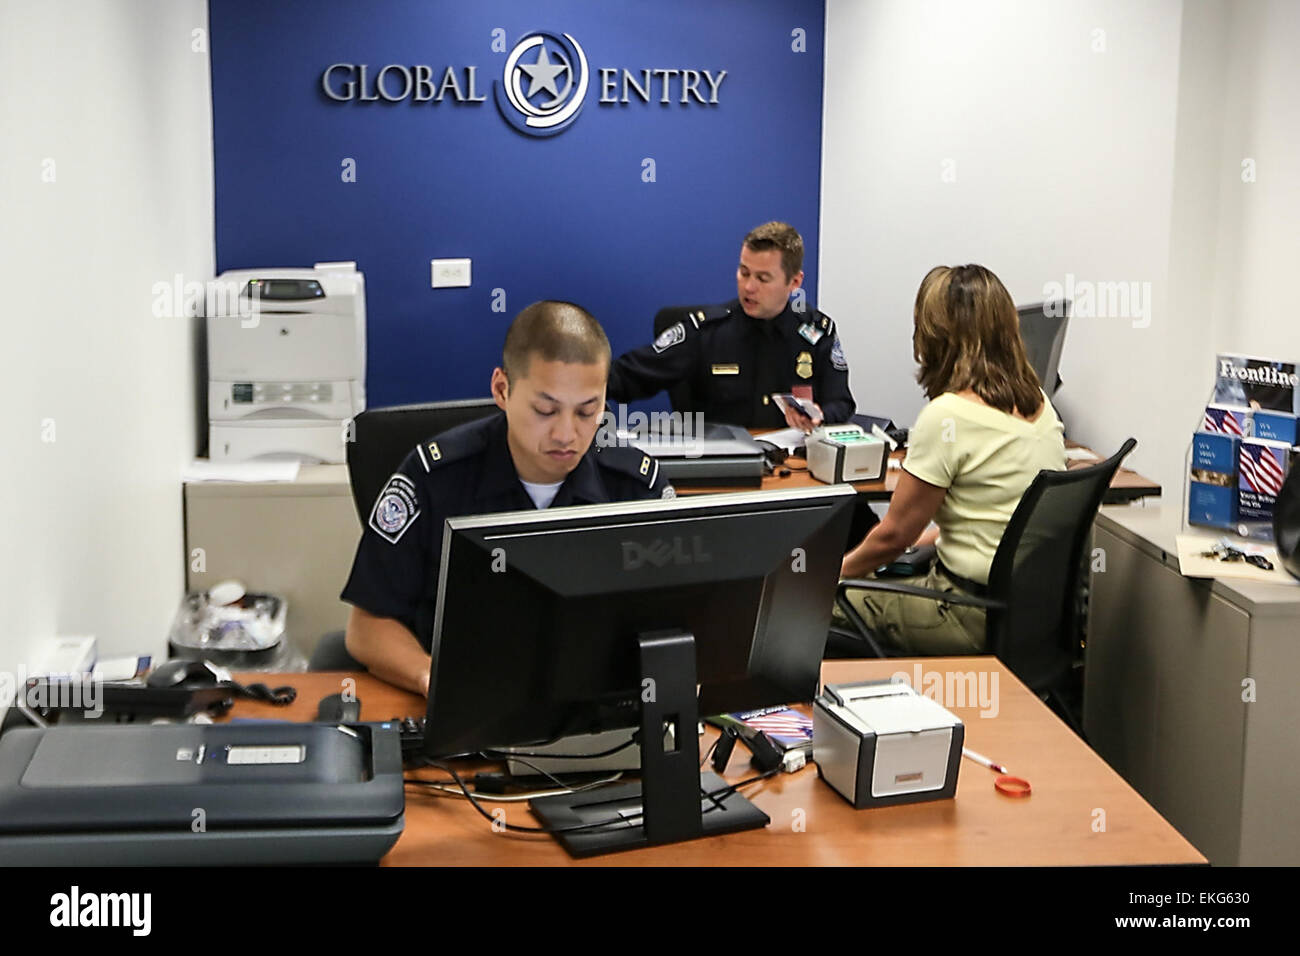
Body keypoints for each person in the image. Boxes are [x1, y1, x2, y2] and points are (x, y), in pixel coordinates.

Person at [340, 301, 674, 694]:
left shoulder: (635, 487)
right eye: (545, 410)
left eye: (587, 411)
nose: (566, 434)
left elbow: (674, 623)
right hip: (462, 702)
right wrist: (435, 681)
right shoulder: (433, 477)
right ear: (502, 389)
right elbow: (366, 628)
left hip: (593, 706)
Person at [837, 264, 1066, 655]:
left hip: (963, 614)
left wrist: (830, 575)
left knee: (817, 608)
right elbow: (995, 518)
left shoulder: (948, 416)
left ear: (934, 337)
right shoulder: (1041, 405)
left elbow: (894, 536)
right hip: (1030, 617)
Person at [606, 221, 855, 431]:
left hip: (794, 470)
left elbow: (841, 402)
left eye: (762, 278)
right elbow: (629, 376)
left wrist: (820, 415)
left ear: (794, 282)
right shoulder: (706, 332)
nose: (748, 287)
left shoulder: (817, 332)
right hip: (725, 472)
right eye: (744, 272)